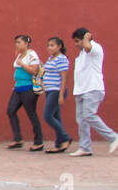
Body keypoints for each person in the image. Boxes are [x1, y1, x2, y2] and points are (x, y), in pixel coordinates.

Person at [69, 28, 118, 156]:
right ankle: (85, 147)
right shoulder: (82, 54)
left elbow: (87, 46)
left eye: (77, 41)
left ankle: (113, 137)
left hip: (93, 89)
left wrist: (86, 38)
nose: (76, 44)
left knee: (89, 115)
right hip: (81, 90)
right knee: (81, 119)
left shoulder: (95, 48)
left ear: (86, 38)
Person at [5, 34, 43, 150]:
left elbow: (34, 70)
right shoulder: (19, 55)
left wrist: (22, 64)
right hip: (18, 88)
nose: (17, 45)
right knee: (10, 111)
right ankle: (17, 138)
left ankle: (38, 141)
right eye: (16, 42)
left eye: (19, 42)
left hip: (28, 88)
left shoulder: (31, 55)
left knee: (31, 114)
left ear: (26, 43)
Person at [41, 37, 73, 153]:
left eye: (52, 45)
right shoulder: (50, 58)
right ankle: (59, 144)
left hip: (56, 91)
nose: (49, 47)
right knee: (56, 117)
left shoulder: (61, 59)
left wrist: (61, 94)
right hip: (50, 91)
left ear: (59, 46)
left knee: (48, 116)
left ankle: (65, 137)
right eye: (48, 45)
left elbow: (64, 77)